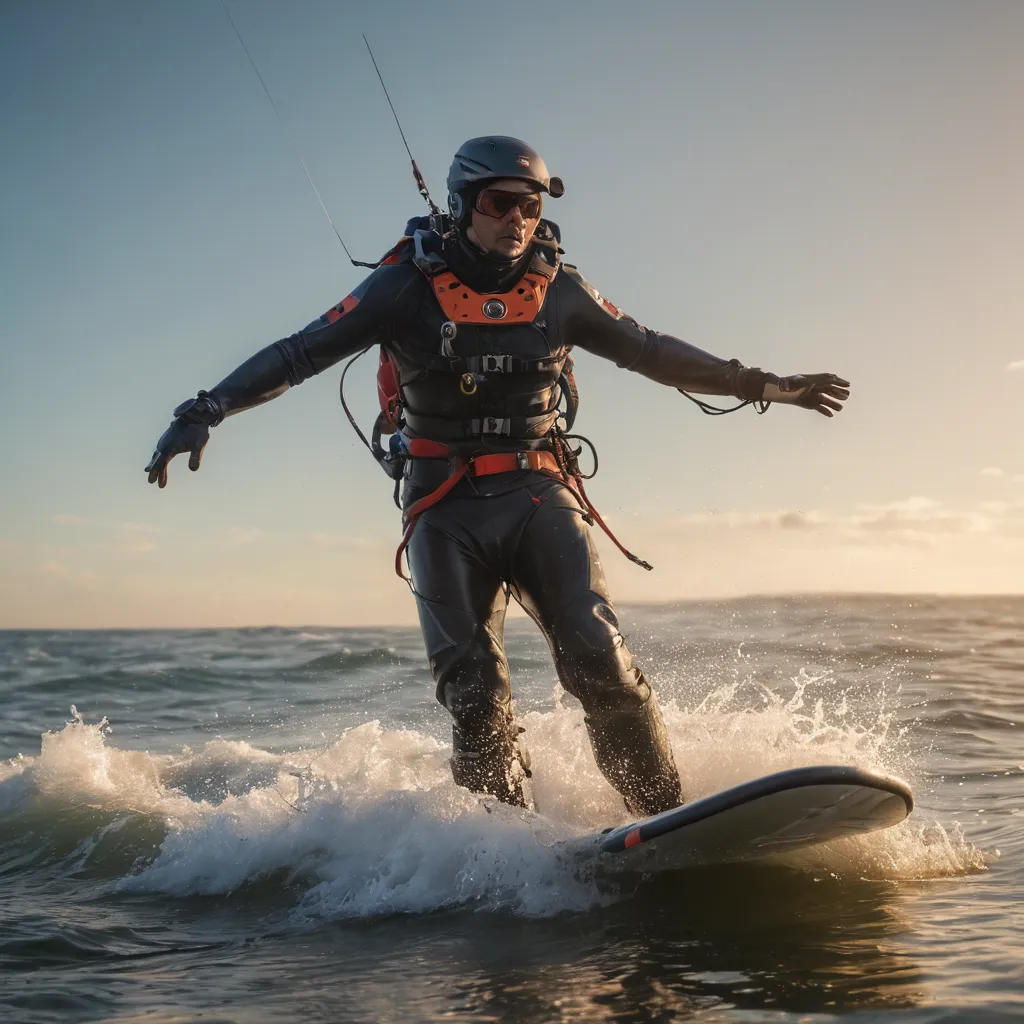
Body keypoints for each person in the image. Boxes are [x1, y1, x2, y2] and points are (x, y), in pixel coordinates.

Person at [145, 136, 850, 817]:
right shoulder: (401, 288)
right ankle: (504, 846)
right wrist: (207, 408)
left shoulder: (561, 291)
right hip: (443, 510)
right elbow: (300, 352)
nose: (517, 219)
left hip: (538, 493)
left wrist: (761, 383)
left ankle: (664, 815)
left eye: (531, 206)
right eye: (499, 202)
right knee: (475, 693)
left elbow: (652, 350)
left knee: (598, 657)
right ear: (460, 204)